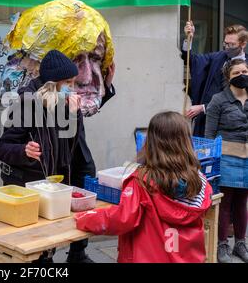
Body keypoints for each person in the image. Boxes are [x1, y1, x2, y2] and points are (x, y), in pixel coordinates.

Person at [0, 50, 107, 263]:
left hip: (54, 184)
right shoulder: (27, 102)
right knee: (37, 251)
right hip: (28, 184)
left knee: (50, 241)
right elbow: (3, 147)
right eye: (67, 83)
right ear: (51, 83)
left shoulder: (67, 105)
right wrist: (24, 151)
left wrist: (75, 116)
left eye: (73, 83)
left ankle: (72, 254)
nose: (71, 88)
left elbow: (75, 147)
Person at [75, 111, 213, 263]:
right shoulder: (201, 181)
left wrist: (86, 218)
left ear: (152, 142)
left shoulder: (142, 181)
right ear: (187, 142)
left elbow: (122, 218)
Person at [205, 59, 248, 263]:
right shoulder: (218, 100)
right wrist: (210, 161)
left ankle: (240, 243)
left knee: (242, 202)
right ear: (228, 77)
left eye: (245, 71)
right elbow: (210, 134)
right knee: (225, 202)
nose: (242, 75)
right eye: (237, 73)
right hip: (226, 157)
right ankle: (221, 245)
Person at [182, 22, 248, 137]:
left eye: (231, 45)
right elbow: (191, 60)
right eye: (225, 43)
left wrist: (203, 107)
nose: (227, 48)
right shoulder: (218, 57)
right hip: (208, 121)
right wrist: (189, 39)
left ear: (243, 44)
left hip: (235, 125)